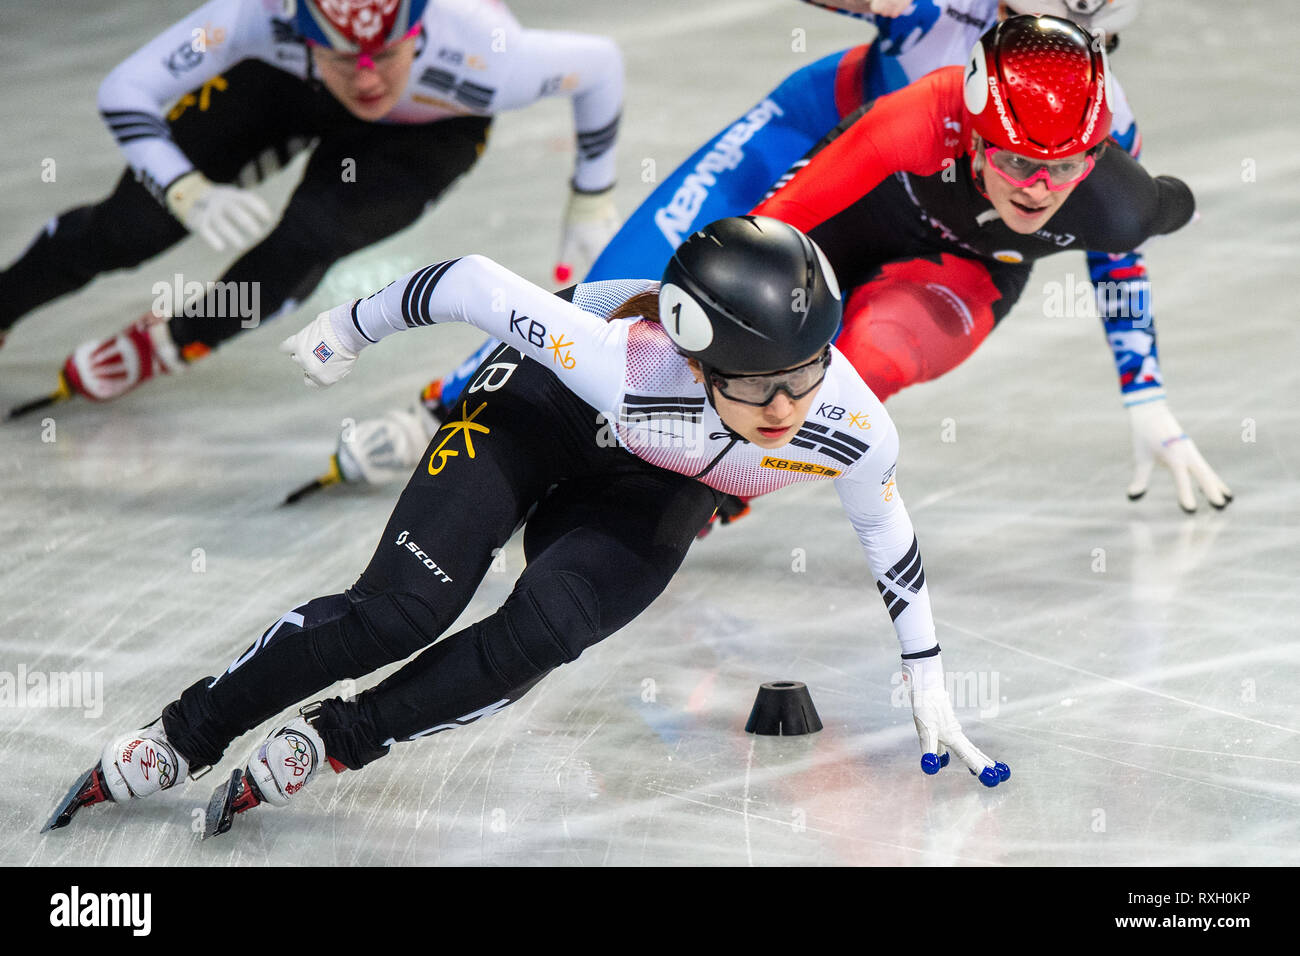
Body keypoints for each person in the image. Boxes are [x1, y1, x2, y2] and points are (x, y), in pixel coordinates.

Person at [43, 217, 1008, 838]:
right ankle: (188, 730)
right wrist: (351, 328)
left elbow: (892, 542)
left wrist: (927, 684)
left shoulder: (850, 424)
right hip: (540, 412)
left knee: (550, 629)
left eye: (806, 374)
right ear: (696, 350)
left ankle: (344, 739)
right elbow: (468, 282)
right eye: (761, 386)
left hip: (653, 485)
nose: (789, 406)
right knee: (403, 610)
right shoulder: (621, 359)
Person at [328, 1, 1229, 516]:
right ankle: (450, 404)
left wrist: (1147, 395)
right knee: (639, 271)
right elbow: (780, 219)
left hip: (955, 255)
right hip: (829, 155)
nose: (1053, 43)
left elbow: (1121, 238)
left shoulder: (1100, 130)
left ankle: (703, 494)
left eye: (1088, 37)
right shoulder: (936, 20)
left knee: (863, 368)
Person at [0, 0, 623, 406]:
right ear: (301, 27)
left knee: (311, 234)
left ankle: (182, 338)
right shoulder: (255, 15)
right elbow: (125, 90)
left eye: (385, 56)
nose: (369, 79)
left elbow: (600, 67)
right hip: (289, 83)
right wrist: (183, 189)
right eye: (348, 59)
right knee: (133, 226)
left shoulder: (492, 54)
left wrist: (591, 199)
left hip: (430, 125)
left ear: (420, 28)